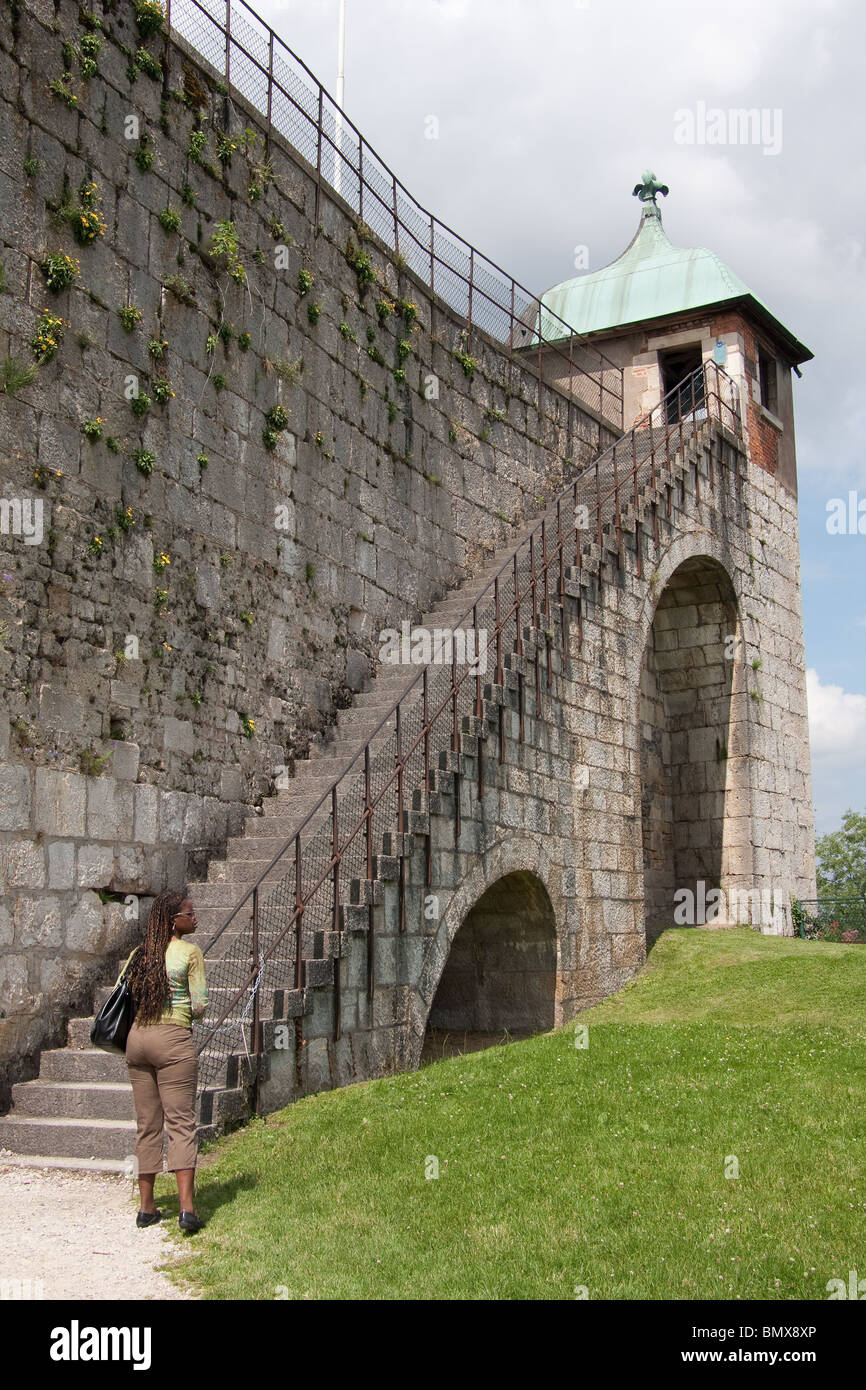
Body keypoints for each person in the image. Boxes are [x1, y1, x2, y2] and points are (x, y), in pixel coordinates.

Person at [117, 889, 208, 1233]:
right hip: (172, 1041)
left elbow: (122, 992)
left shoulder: (138, 954)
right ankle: (186, 1210)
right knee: (181, 1124)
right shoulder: (190, 952)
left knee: (147, 1124)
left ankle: (146, 1208)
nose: (195, 916)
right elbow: (199, 1005)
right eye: (189, 913)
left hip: (137, 1041)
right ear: (174, 921)